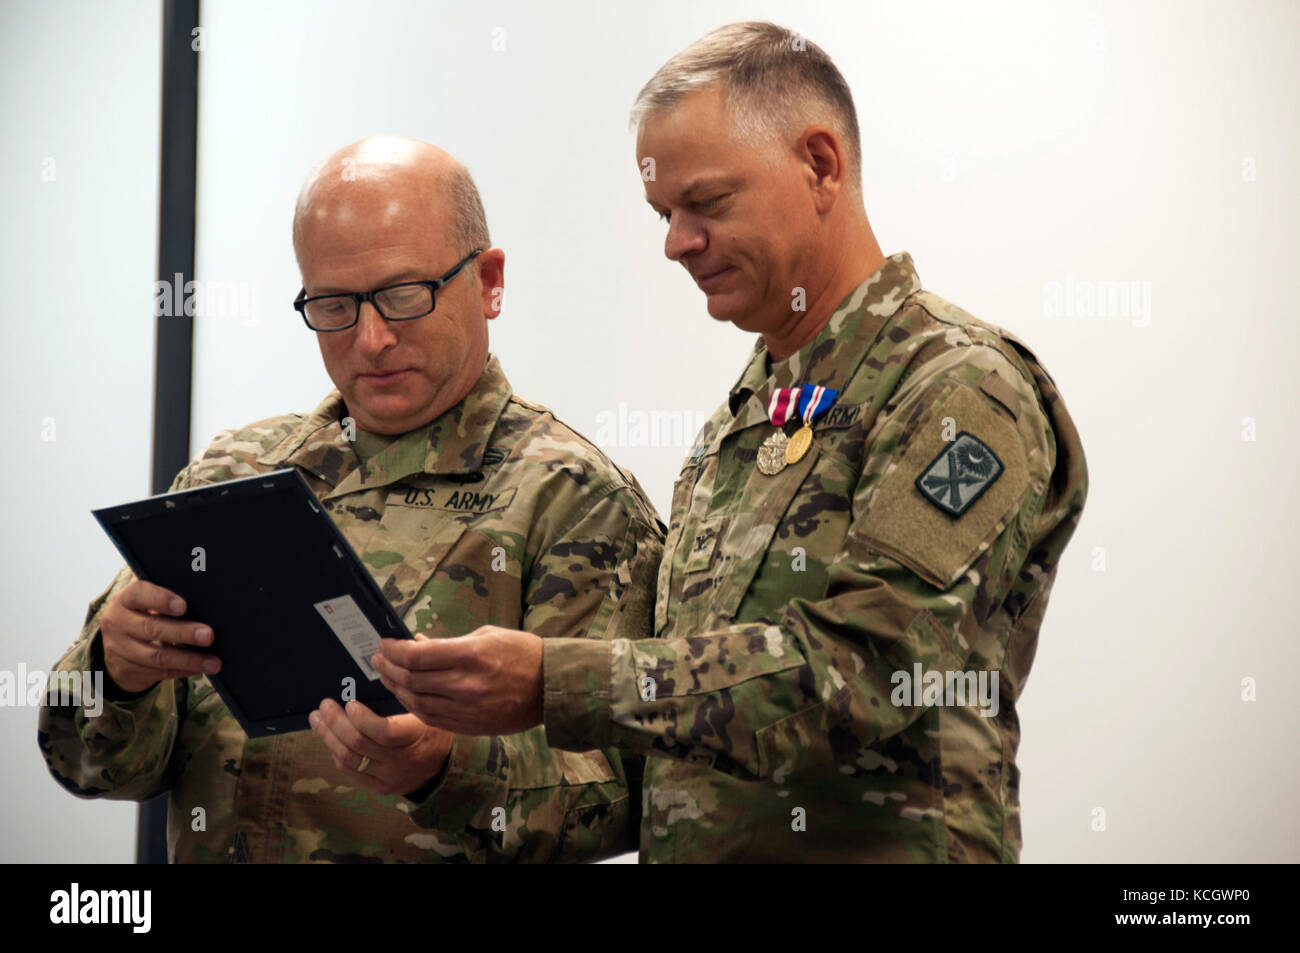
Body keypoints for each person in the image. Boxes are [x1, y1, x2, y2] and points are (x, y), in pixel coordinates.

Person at [370, 23, 1089, 863]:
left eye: (705, 204)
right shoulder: (745, 420)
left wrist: (551, 679)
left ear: (821, 164)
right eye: (663, 213)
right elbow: (673, 741)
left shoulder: (960, 388)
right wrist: (440, 762)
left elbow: (863, 674)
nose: (675, 242)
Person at [37, 136, 664, 863]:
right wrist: (116, 671)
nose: (371, 339)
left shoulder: (571, 498)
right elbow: (85, 765)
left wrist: (445, 766)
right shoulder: (231, 475)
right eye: (333, 305)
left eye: (404, 295)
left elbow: (617, 799)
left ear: (489, 280)